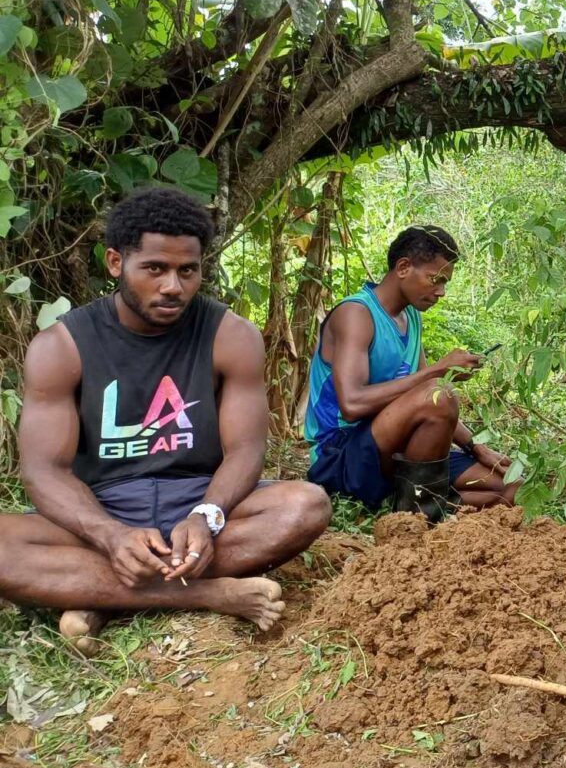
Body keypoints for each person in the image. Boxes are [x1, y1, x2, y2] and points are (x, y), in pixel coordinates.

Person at [0, 188, 332, 649]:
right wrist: (110, 535)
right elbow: (43, 471)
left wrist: (207, 515)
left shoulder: (230, 336)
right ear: (116, 263)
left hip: (196, 499)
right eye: (155, 269)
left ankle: (98, 595)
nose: (173, 286)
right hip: (101, 508)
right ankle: (207, 593)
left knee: (305, 505)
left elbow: (245, 450)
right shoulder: (61, 346)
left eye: (187, 271)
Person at [304, 225, 516, 516]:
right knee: (440, 396)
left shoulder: (411, 317)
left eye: (446, 283)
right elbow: (352, 405)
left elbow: (423, 394)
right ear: (403, 267)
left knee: (513, 486)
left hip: (394, 448)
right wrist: (438, 370)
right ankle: (419, 515)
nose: (441, 291)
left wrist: (475, 446)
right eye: (435, 279)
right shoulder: (356, 314)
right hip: (341, 456)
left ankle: (421, 500)